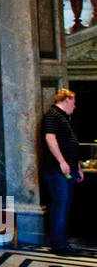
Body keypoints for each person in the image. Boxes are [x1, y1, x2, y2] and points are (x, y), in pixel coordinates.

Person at [41, 88, 84, 254]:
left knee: (64, 206)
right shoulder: (53, 115)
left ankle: (62, 242)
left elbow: (70, 144)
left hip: (68, 168)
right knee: (59, 205)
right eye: (73, 102)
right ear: (67, 100)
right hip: (57, 170)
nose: (75, 105)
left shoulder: (64, 118)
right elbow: (50, 139)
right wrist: (62, 162)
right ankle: (58, 244)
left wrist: (77, 167)